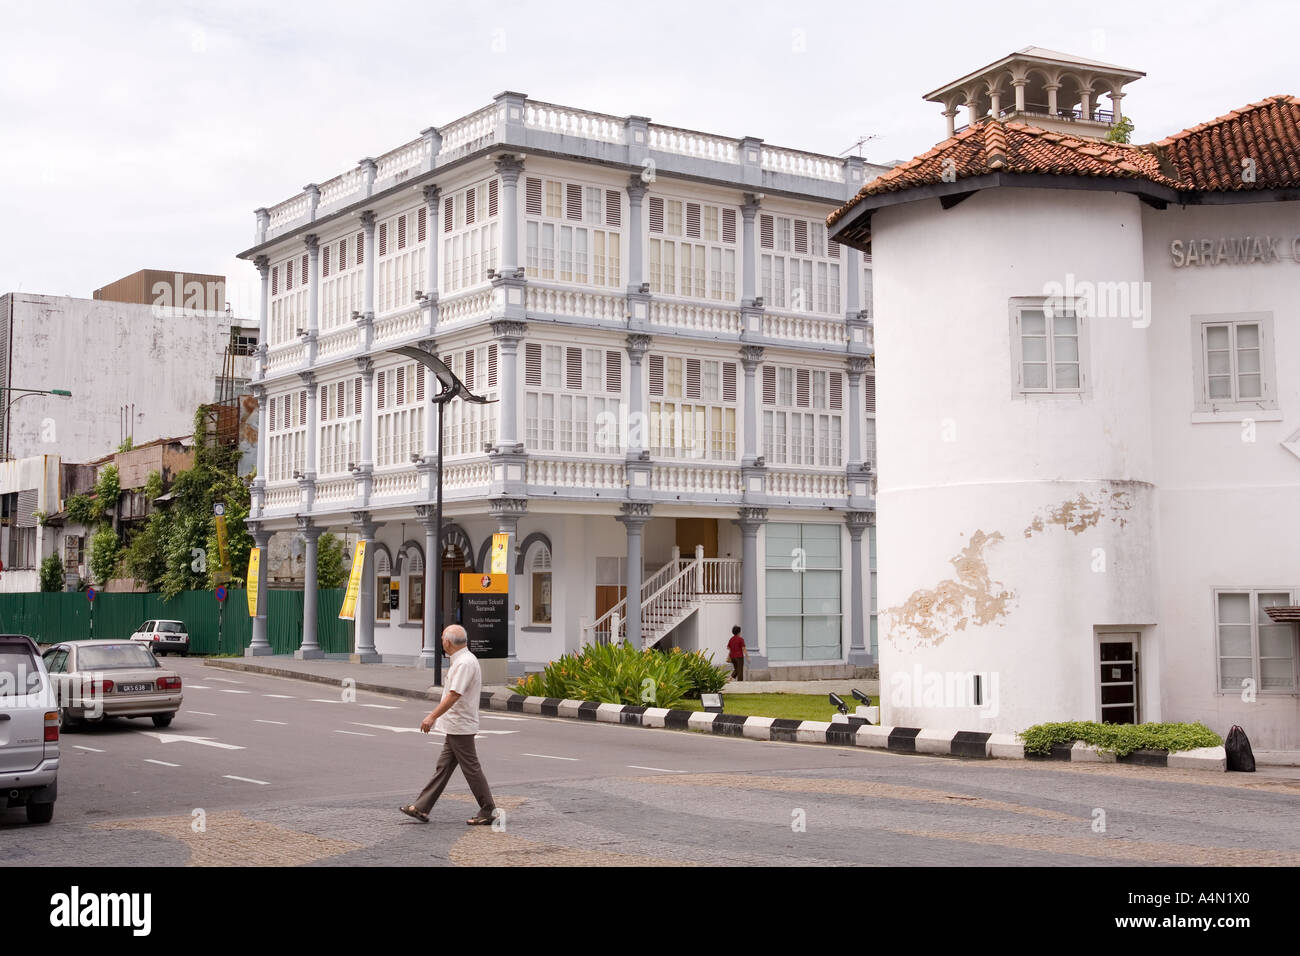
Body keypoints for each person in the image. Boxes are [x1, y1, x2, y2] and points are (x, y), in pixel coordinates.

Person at [400, 624, 498, 825]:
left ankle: (488, 809)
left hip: (460, 723)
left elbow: (454, 694)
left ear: (447, 642)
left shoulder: (464, 663)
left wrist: (432, 716)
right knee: (443, 768)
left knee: (471, 768)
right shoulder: (463, 660)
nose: (442, 641)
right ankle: (421, 807)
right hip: (456, 723)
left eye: (443, 638)